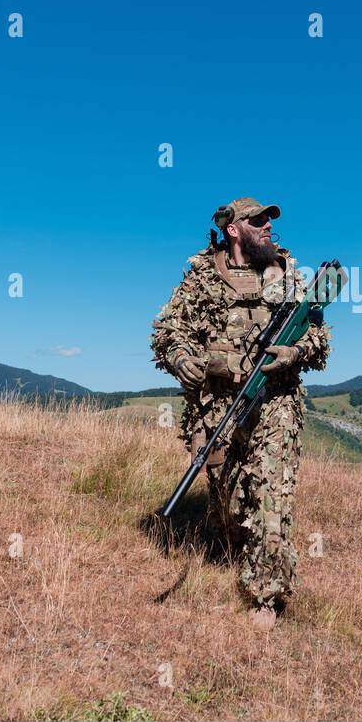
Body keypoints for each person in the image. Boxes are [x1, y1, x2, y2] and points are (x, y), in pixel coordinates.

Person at [150, 198, 332, 629]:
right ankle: (235, 550)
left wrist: (297, 350)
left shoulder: (287, 275)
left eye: (270, 220)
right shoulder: (202, 275)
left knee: (271, 492)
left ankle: (266, 595)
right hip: (219, 405)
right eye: (257, 221)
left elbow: (320, 337)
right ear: (233, 229)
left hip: (276, 400)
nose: (268, 227)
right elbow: (168, 330)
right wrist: (180, 358)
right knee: (229, 503)